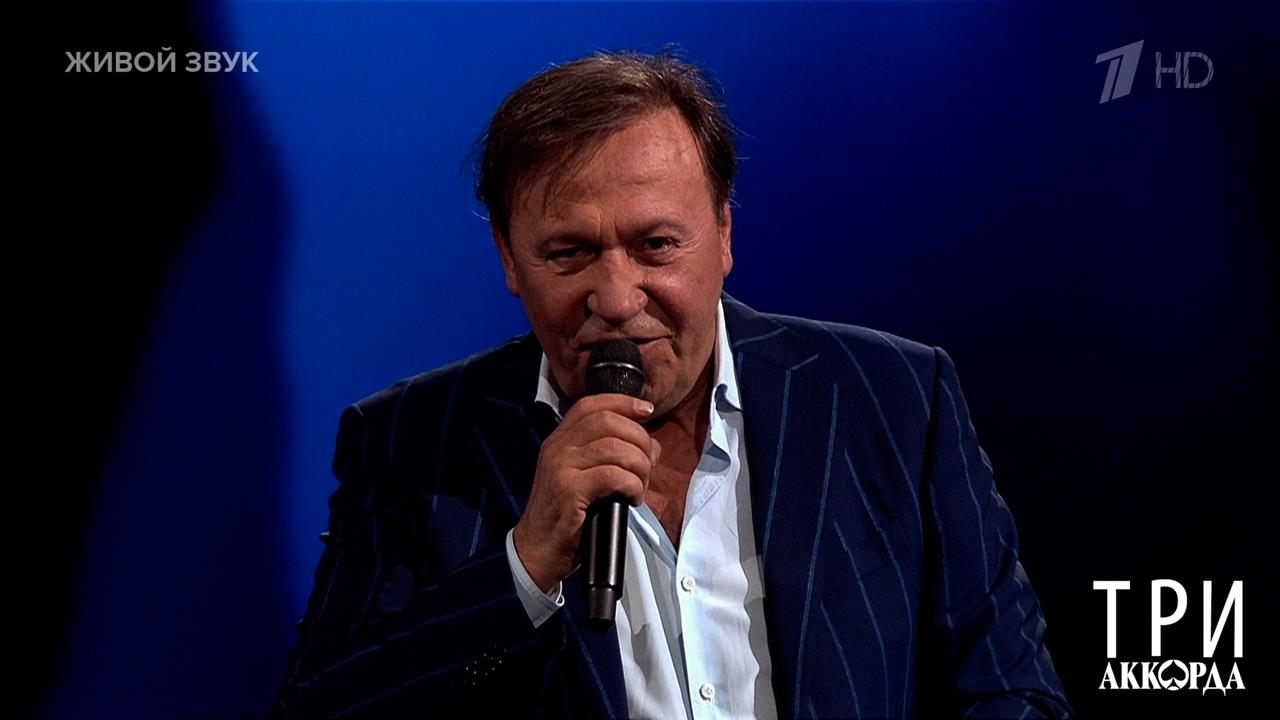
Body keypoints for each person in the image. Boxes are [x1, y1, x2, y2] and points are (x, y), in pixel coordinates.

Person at [274, 50, 1071, 719]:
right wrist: (525, 566)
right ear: (510, 260)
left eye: (656, 245)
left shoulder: (893, 396)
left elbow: (1011, 691)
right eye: (569, 254)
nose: (617, 299)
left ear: (722, 234)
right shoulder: (414, 442)